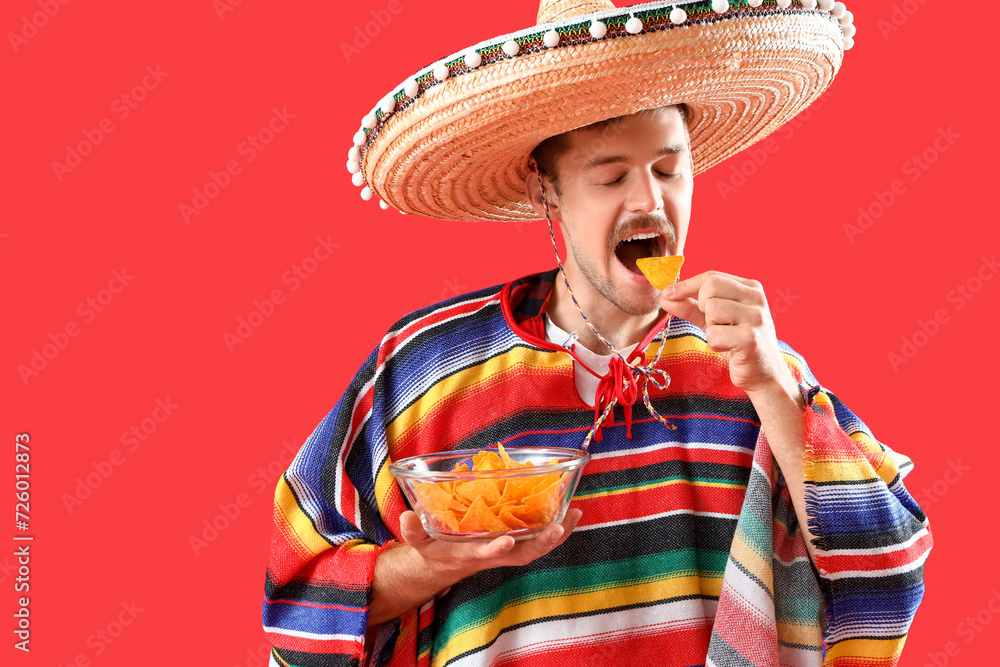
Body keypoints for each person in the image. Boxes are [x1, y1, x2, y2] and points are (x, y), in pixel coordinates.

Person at [262, 2, 930, 666]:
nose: (649, 201)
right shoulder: (425, 371)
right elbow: (296, 598)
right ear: (544, 190)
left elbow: (886, 569)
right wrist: (427, 566)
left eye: (669, 169)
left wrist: (773, 390)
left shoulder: (757, 369)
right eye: (610, 175)